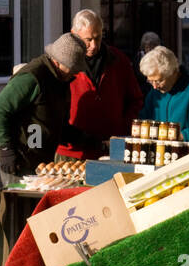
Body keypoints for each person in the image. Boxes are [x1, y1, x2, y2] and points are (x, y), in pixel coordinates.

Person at [0, 33, 89, 185]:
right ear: (58, 62)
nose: (76, 73)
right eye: (73, 68)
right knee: (18, 207)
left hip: (40, 161)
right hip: (20, 161)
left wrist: (86, 139)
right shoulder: (32, 77)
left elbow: (53, 119)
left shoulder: (60, 80)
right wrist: (6, 150)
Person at [56, 9, 145, 160]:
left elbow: (135, 99)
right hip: (73, 150)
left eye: (98, 38)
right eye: (88, 39)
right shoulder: (61, 62)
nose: (93, 45)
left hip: (110, 146)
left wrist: (122, 127)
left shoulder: (119, 60)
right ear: (74, 34)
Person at [138, 45, 189, 142]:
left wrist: (185, 136)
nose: (154, 86)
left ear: (174, 72)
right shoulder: (154, 94)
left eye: (159, 81)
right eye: (150, 81)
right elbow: (143, 122)